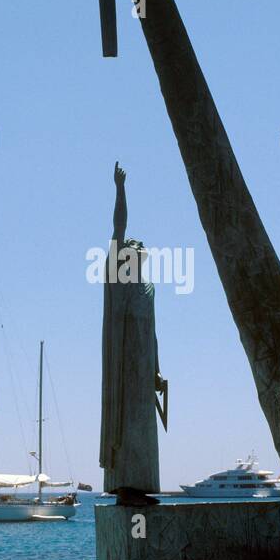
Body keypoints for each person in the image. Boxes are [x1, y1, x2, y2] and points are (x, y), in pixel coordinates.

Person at [99, 162, 167, 505]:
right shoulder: (117, 282)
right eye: (133, 249)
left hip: (142, 372)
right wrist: (120, 188)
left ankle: (139, 487)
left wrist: (156, 368)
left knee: (144, 432)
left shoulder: (149, 289)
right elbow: (119, 226)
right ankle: (125, 488)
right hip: (123, 373)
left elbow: (152, 334)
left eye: (142, 250)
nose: (138, 252)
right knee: (126, 429)